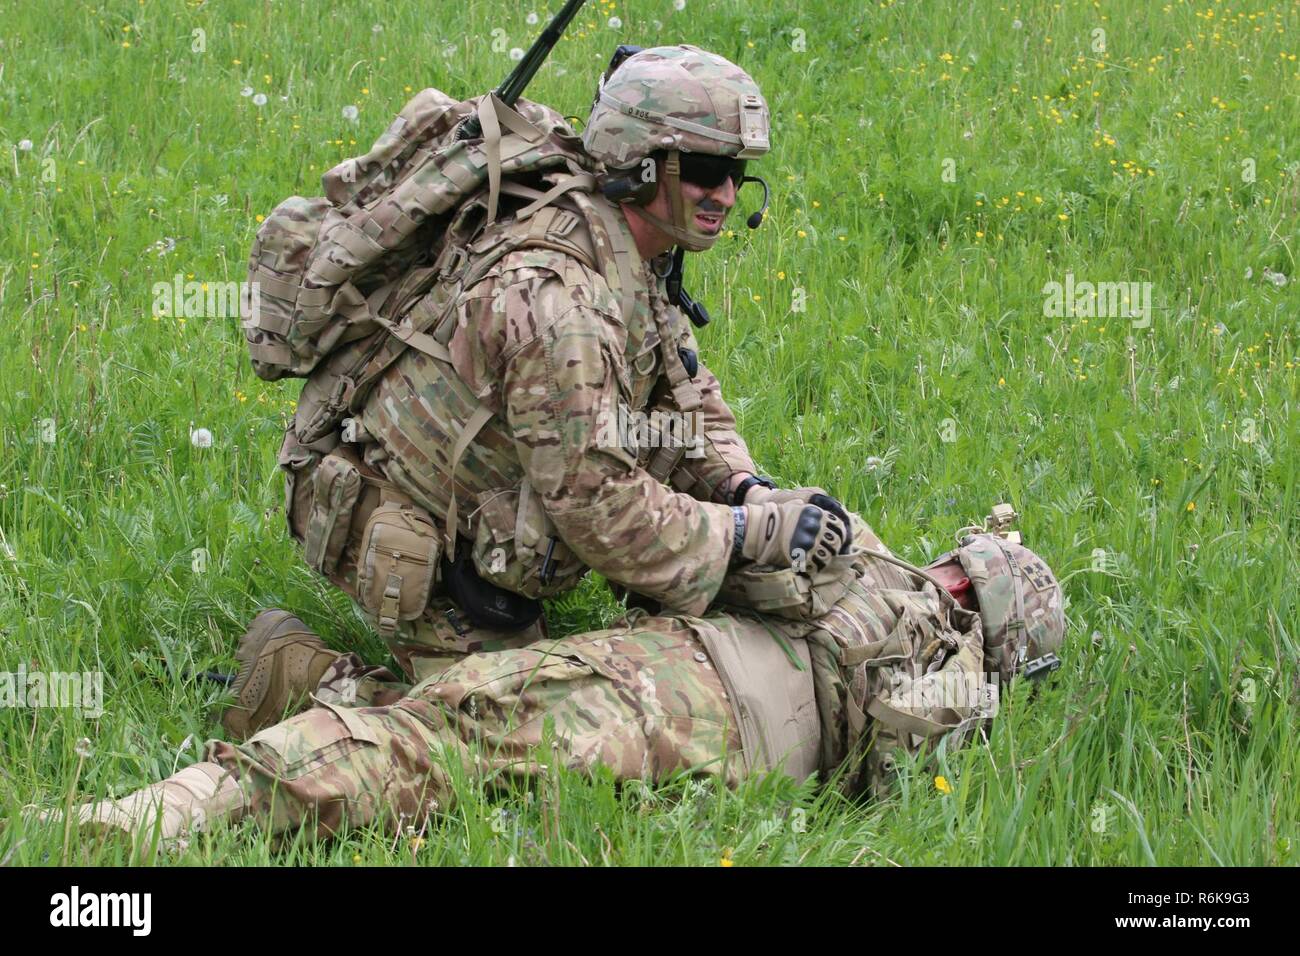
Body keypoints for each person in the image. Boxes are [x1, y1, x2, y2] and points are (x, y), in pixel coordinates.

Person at [225, 44, 854, 738]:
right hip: (406, 530)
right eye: (705, 170)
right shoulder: (560, 301)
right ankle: (290, 672)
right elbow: (601, 510)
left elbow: (682, 390)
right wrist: (741, 535)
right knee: (516, 737)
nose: (728, 195)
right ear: (641, 164)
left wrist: (742, 489)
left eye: (736, 172)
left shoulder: (630, 242)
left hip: (482, 508)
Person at [46, 515, 1066, 846]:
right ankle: (150, 823)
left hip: (676, 707)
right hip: (688, 730)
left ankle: (273, 703)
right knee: (450, 757)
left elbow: (712, 558)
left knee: (451, 760)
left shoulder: (894, 591)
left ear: (969, 585)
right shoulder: (943, 674)